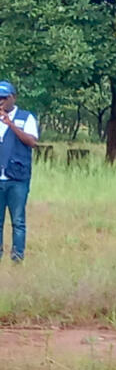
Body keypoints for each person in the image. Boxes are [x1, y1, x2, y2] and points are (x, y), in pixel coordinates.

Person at [0, 80, 39, 263]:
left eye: (4, 97)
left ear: (13, 98)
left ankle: (17, 257)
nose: (0, 101)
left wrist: (11, 124)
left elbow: (32, 142)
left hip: (17, 178)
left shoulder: (26, 117)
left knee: (18, 221)